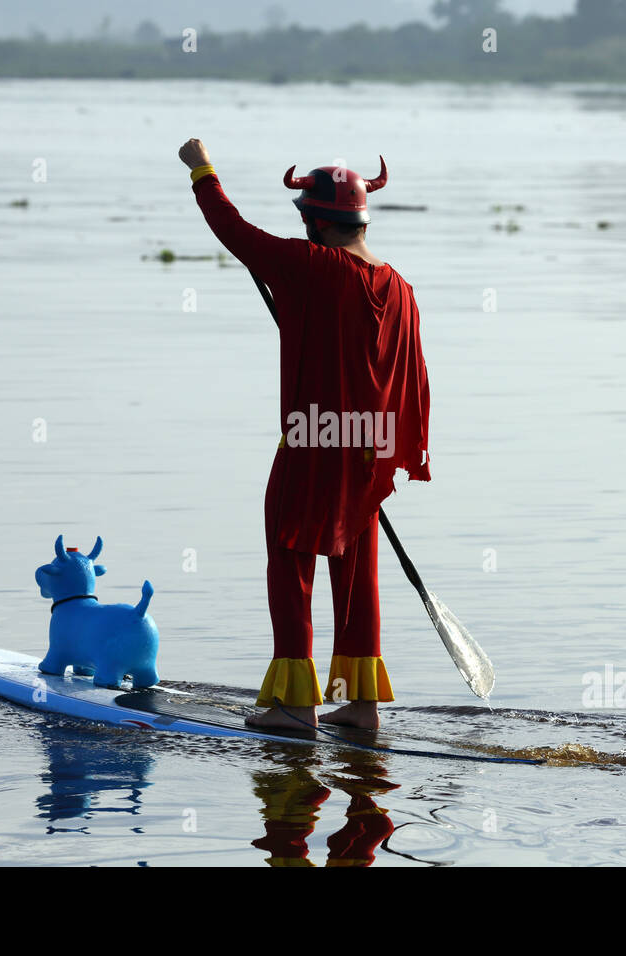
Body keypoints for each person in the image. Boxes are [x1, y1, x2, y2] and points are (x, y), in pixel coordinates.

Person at [178, 138, 430, 731]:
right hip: (368, 450)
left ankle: (295, 705)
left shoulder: (309, 266)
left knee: (291, 560)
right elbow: (414, 380)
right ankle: (362, 705)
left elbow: (234, 232)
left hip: (311, 443)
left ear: (317, 222)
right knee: (356, 569)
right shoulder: (402, 290)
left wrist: (202, 170)